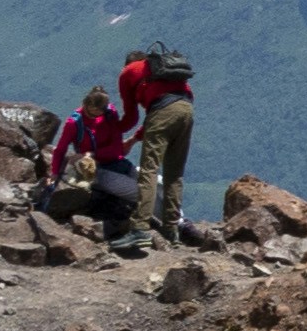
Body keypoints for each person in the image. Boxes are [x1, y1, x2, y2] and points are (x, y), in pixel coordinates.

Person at [39, 82, 140, 244]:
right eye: (95, 111)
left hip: (117, 163)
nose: (98, 114)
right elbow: (60, 150)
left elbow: (116, 149)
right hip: (96, 171)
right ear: (85, 105)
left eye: (102, 110)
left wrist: (89, 154)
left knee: (156, 182)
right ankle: (150, 225)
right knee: (142, 192)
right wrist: (55, 173)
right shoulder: (74, 123)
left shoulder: (109, 114)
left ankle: (178, 223)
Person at [117, 44, 193, 253]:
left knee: (149, 170)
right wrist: (135, 139)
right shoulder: (164, 70)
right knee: (174, 174)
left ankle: (140, 228)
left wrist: (111, 129)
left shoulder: (128, 72)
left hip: (161, 111)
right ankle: (171, 229)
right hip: (186, 110)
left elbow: (132, 117)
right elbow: (170, 107)